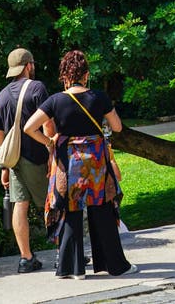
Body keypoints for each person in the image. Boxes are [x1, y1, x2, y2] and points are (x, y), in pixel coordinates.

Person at [24, 49, 136, 279]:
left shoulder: (55, 100)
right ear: (86, 75)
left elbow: (29, 127)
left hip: (69, 164)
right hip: (96, 165)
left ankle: (72, 269)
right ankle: (115, 265)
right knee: (102, 211)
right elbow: (117, 127)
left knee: (70, 211)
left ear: (65, 76)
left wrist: (50, 143)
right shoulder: (99, 97)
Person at [0, 48, 50, 274]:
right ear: (28, 66)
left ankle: (26, 258)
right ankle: (64, 254)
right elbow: (47, 123)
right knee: (51, 203)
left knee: (20, 206)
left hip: (14, 161)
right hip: (37, 158)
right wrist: (52, 153)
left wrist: (4, 165)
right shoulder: (37, 88)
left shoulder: (2, 96)